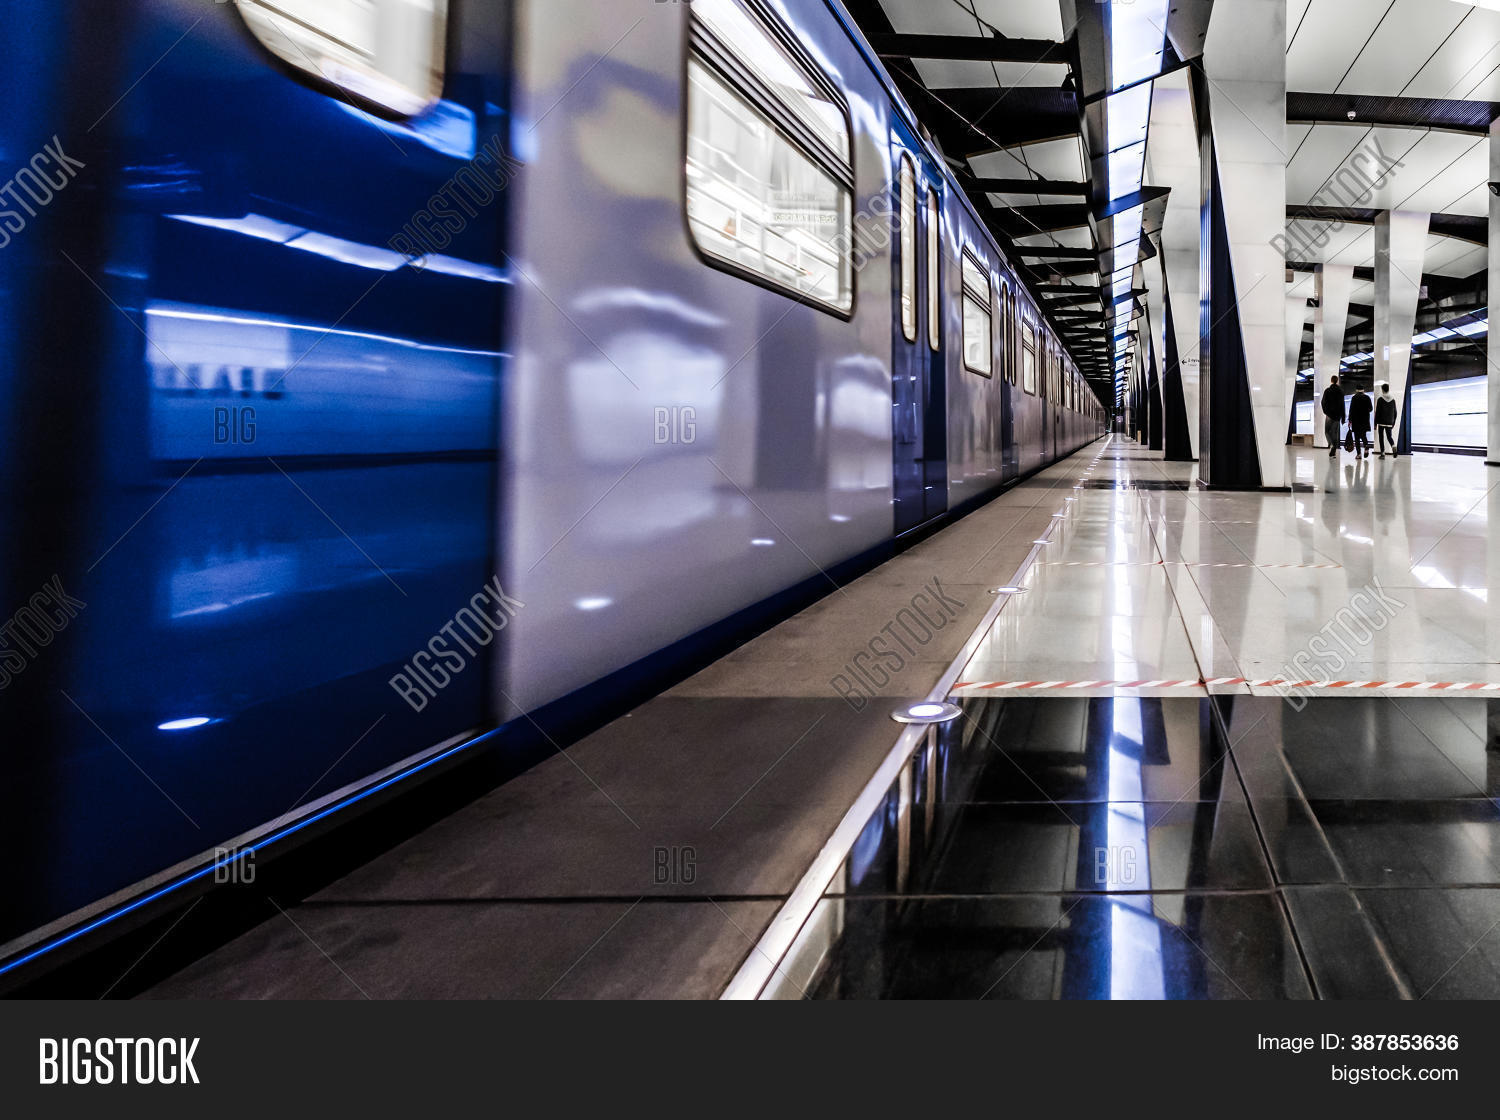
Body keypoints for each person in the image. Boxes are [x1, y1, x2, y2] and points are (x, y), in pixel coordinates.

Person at [1320, 374, 1346, 457]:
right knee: (1335, 432)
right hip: (1337, 415)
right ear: (1337, 381)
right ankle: (1334, 447)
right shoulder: (1341, 391)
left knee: (1327, 431)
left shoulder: (1327, 390)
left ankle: (1332, 445)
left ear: (1331, 381)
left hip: (1329, 415)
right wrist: (1343, 416)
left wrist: (1326, 412)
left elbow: (1323, 402)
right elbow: (1343, 404)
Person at [1349, 385, 1373, 459]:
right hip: (1364, 420)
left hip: (1356, 421)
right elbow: (1371, 409)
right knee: (1363, 435)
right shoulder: (1367, 397)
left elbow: (1351, 410)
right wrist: (1365, 412)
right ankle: (1366, 446)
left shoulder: (1354, 398)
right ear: (1363, 390)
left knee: (1357, 438)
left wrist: (1350, 420)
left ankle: (1359, 454)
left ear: (1356, 390)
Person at [1374, 382, 1397, 457]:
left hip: (1381, 422)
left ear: (1382, 390)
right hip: (1390, 421)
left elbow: (1377, 412)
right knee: (1389, 437)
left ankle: (1383, 453)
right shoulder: (1393, 400)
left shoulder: (1380, 399)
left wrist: (1375, 424)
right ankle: (1393, 446)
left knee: (1381, 437)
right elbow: (1395, 412)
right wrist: (1393, 423)